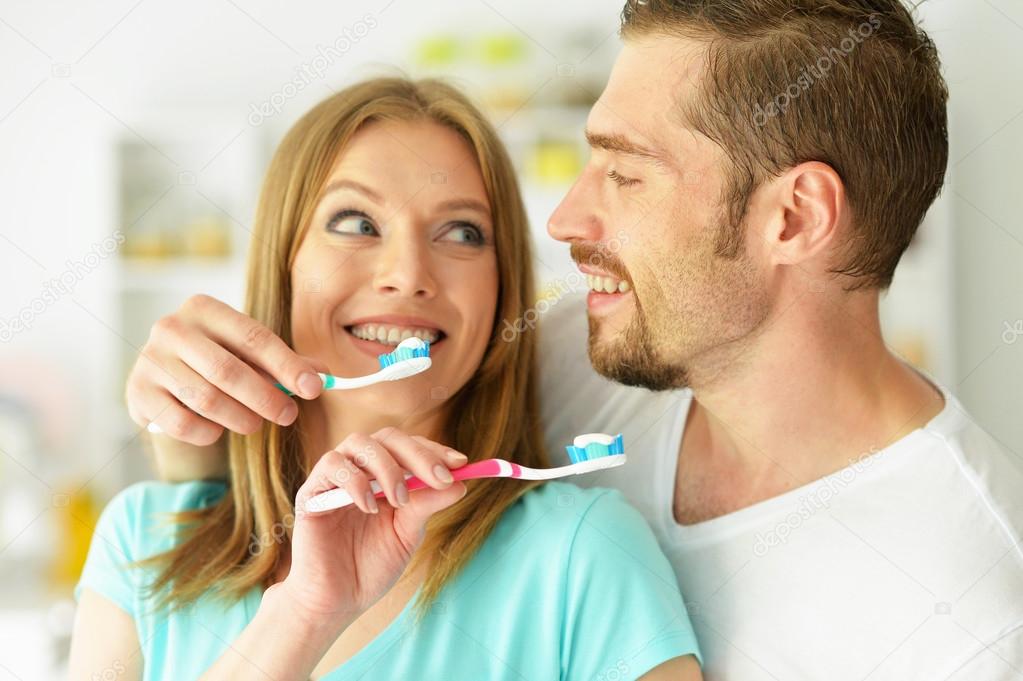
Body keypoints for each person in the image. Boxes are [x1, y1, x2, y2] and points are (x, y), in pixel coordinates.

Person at [117, 1, 1023, 679]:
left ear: (791, 217)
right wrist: (188, 430)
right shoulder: (582, 353)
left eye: (625, 173)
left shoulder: (972, 607)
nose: (562, 216)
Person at [69, 77, 702, 681]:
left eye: (462, 232)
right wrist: (303, 616)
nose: (407, 274)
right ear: (283, 263)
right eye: (357, 224)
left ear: (502, 290)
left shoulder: (585, 553)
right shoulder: (144, 544)